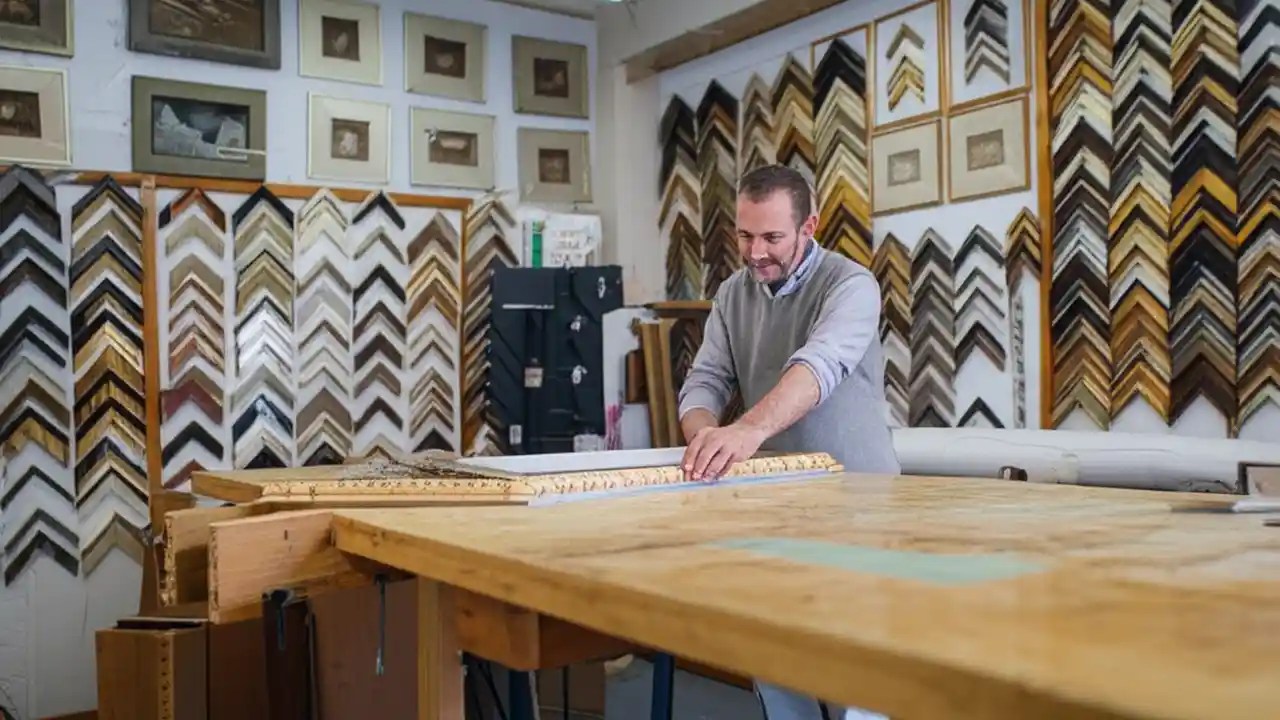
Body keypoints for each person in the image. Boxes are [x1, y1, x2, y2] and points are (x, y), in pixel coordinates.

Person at [676, 164, 900, 720]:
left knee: (860, 670)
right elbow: (704, 381)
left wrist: (747, 430)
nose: (756, 252)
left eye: (772, 237)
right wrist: (706, 436)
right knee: (777, 659)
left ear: (810, 226)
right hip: (773, 503)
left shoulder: (852, 286)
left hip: (860, 504)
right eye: (745, 236)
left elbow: (817, 368)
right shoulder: (732, 295)